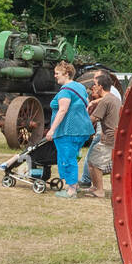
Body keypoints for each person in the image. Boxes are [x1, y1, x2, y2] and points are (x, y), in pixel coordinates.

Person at [44, 60, 94, 199]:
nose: (55, 76)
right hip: (82, 129)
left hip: (68, 130)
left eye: (57, 73)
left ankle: (71, 189)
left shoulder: (65, 91)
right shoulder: (80, 87)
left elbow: (62, 110)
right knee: (70, 157)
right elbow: (87, 105)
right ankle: (72, 185)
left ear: (66, 74)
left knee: (67, 158)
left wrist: (52, 130)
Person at [81, 73, 120, 198]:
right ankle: (95, 187)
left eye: (95, 85)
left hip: (109, 138)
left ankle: (100, 190)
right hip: (114, 137)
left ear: (101, 87)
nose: (94, 87)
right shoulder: (114, 98)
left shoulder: (105, 100)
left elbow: (93, 119)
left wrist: (79, 121)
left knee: (95, 162)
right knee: (92, 161)